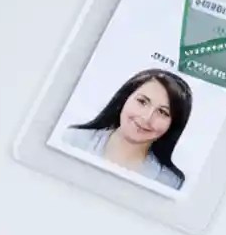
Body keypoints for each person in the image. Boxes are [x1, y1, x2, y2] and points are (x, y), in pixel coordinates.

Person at [62, 68, 193, 189]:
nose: (147, 117)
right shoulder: (73, 139)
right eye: (142, 102)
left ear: (173, 124)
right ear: (124, 99)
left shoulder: (169, 182)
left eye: (162, 112)